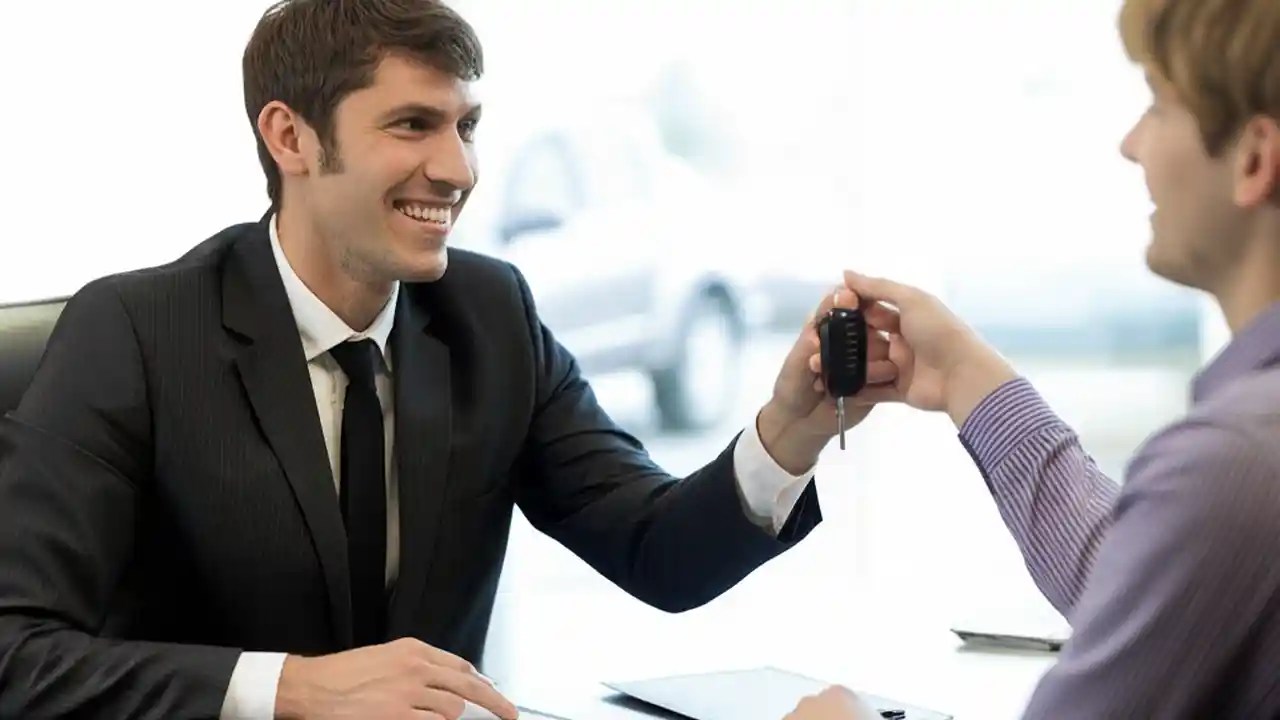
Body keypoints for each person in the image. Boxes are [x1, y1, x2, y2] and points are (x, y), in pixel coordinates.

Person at [0, 2, 899, 719]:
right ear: (291, 138)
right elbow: (16, 654)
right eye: (413, 125)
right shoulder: (134, 330)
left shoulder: (489, 313)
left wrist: (790, 431)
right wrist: (291, 691)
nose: (459, 167)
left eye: (467, 124)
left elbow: (657, 551)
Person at [785, 0, 1280, 717]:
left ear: (1255, 159)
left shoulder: (1235, 463)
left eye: (1158, 106)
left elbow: (1173, 558)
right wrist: (963, 377)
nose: (1130, 144)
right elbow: (1152, 592)